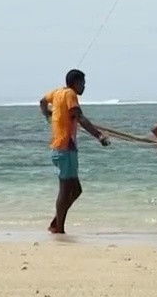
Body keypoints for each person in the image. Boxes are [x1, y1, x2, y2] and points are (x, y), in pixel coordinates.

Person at [38, 69, 113, 234]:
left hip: (64, 148)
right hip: (64, 148)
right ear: (75, 83)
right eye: (83, 83)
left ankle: (56, 222)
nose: (84, 86)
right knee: (65, 190)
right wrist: (99, 136)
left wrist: (49, 114)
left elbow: (42, 102)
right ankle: (59, 229)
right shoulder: (70, 94)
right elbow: (80, 117)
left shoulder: (57, 93)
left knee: (76, 190)